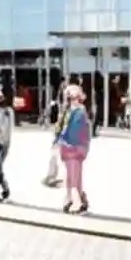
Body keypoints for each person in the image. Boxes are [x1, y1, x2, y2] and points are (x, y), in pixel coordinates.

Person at [57, 84, 91, 214]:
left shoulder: (78, 112)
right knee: (73, 176)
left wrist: (62, 141)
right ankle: (74, 199)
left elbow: (74, 133)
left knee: (73, 177)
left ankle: (77, 201)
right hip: (72, 149)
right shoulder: (73, 112)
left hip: (73, 149)